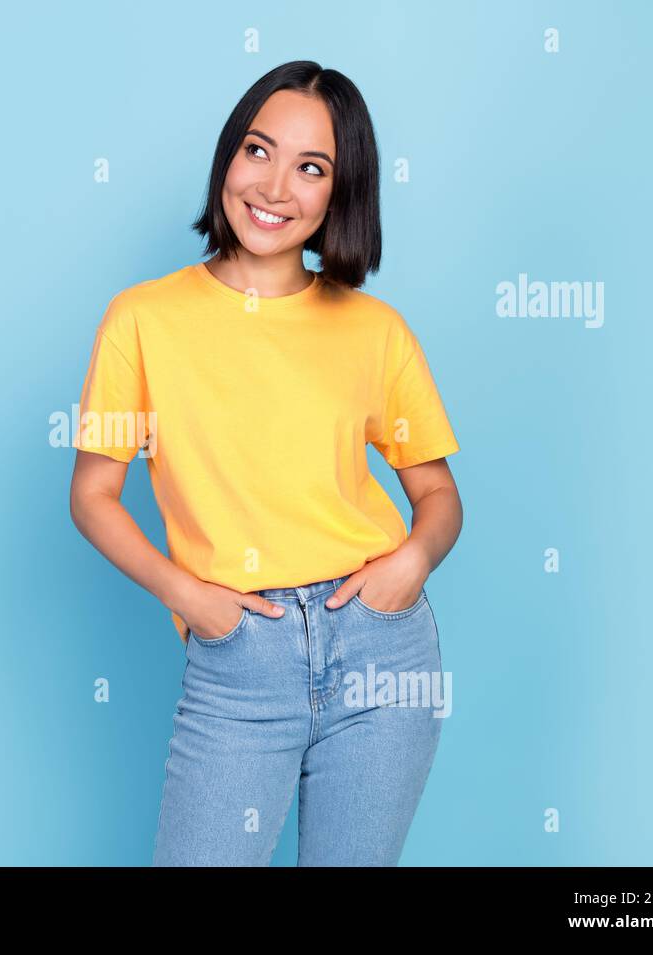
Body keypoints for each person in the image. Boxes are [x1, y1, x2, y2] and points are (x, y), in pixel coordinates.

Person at [69, 60, 464, 866]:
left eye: (311, 168)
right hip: (239, 654)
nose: (275, 187)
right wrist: (191, 598)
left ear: (337, 195)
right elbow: (93, 494)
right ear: (227, 159)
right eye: (259, 151)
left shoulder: (374, 330)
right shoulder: (143, 319)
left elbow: (437, 492)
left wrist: (413, 561)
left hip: (382, 653)